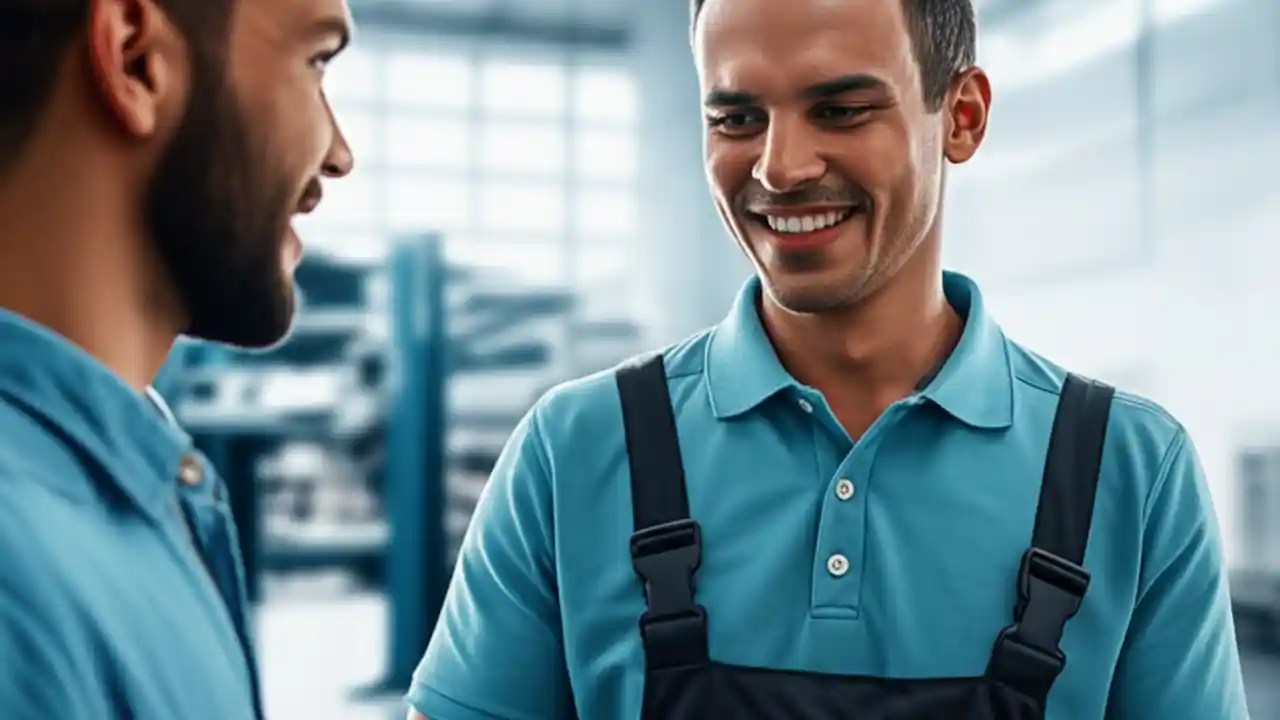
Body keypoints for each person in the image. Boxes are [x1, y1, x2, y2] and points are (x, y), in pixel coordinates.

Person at [406, 0, 1250, 719]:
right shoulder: (574, 451)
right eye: (737, 118)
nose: (780, 166)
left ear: (961, 118)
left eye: (841, 109)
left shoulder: (1131, 473)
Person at [0, 0, 354, 717]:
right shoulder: (22, 583)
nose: (339, 153)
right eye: (315, 60)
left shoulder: (122, 500)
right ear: (136, 59)